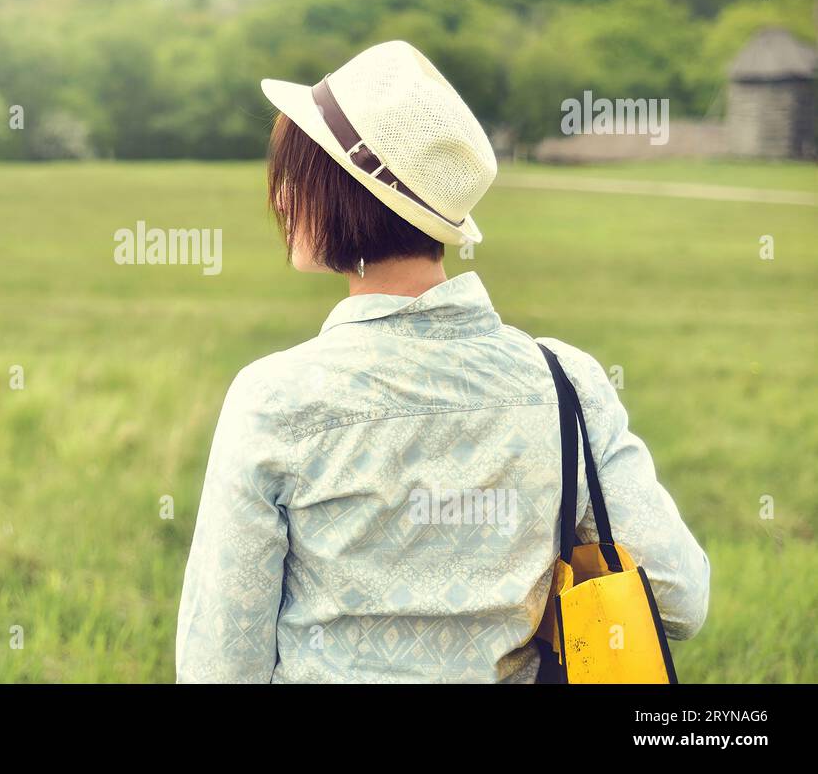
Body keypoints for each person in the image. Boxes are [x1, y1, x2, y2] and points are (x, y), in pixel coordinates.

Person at [175, 41, 710, 683]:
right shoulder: (567, 383)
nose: (281, 200)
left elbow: (219, 666)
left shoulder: (275, 399)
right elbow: (678, 596)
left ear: (340, 194)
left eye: (296, 177)